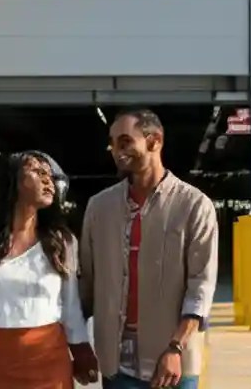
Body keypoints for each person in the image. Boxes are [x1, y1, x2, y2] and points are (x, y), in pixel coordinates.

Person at [80, 108, 219, 389]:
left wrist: (176, 348)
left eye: (125, 142)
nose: (117, 151)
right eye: (113, 144)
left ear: (154, 141)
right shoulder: (99, 207)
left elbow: (200, 288)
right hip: (116, 363)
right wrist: (75, 344)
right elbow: (86, 285)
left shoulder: (194, 206)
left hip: (172, 364)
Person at [0, 150, 101, 389]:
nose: (48, 180)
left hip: (48, 364)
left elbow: (70, 308)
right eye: (37, 171)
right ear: (13, 182)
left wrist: (82, 351)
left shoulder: (62, 242)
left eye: (49, 175)